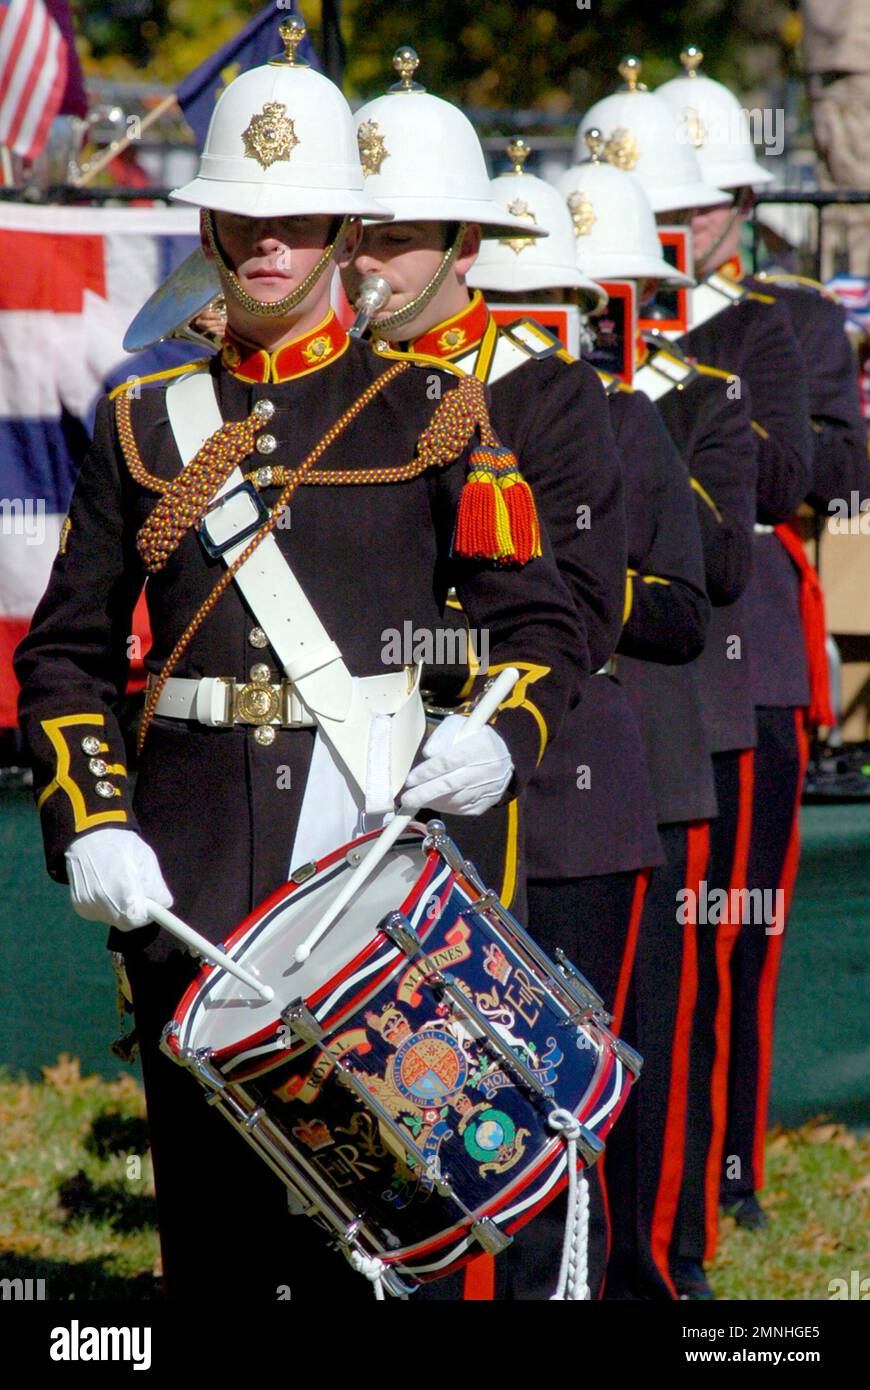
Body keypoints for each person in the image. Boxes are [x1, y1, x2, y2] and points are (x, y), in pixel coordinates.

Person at [14, 22, 584, 1302]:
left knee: (389, 1238)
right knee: (218, 1242)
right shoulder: (142, 419)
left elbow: (540, 627)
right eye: (245, 220)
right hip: (192, 872)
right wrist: (92, 819)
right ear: (212, 230)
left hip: (368, 869)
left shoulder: (434, 412)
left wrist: (496, 733)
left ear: (342, 231)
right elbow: (65, 657)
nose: (272, 245)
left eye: (304, 220)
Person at [341, 48, 631, 1299]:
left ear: (465, 243)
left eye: (397, 238)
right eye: (354, 232)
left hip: (481, 789)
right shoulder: (315, 396)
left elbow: (570, 616)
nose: (365, 260)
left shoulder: (545, 396)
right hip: (325, 779)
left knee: (483, 1114)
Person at [469, 139, 714, 1300]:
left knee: (587, 1082)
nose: (520, 319)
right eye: (501, 297)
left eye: (542, 299)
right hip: (454, 785)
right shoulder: (417, 402)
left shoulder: (616, 416)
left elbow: (661, 600)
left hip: (579, 783)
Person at [658, 47, 870, 1284]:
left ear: (740, 204)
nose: (683, 221)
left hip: (749, 659)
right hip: (625, 668)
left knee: (732, 934)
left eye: (702, 198)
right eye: (664, 199)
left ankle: (727, 1167)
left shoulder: (786, 318)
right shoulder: (589, 297)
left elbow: (824, 474)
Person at [556, 129, 757, 1300]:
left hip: (651, 745)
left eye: (602, 300)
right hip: (520, 754)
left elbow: (716, 569)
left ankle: (658, 1263)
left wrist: (628, 429)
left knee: (653, 1033)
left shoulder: (694, 403)